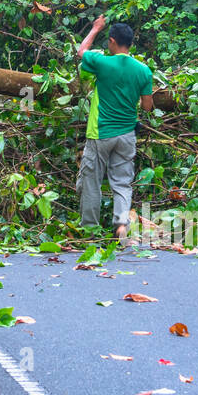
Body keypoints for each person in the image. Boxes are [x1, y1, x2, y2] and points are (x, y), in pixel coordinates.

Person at [76, 15, 154, 241]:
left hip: (101, 133)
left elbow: (81, 52)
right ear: (130, 43)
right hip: (127, 134)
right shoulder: (143, 71)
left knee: (92, 181)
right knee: (122, 182)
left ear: (111, 41)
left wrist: (95, 28)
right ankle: (121, 223)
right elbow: (148, 106)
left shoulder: (102, 63)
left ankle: (89, 228)